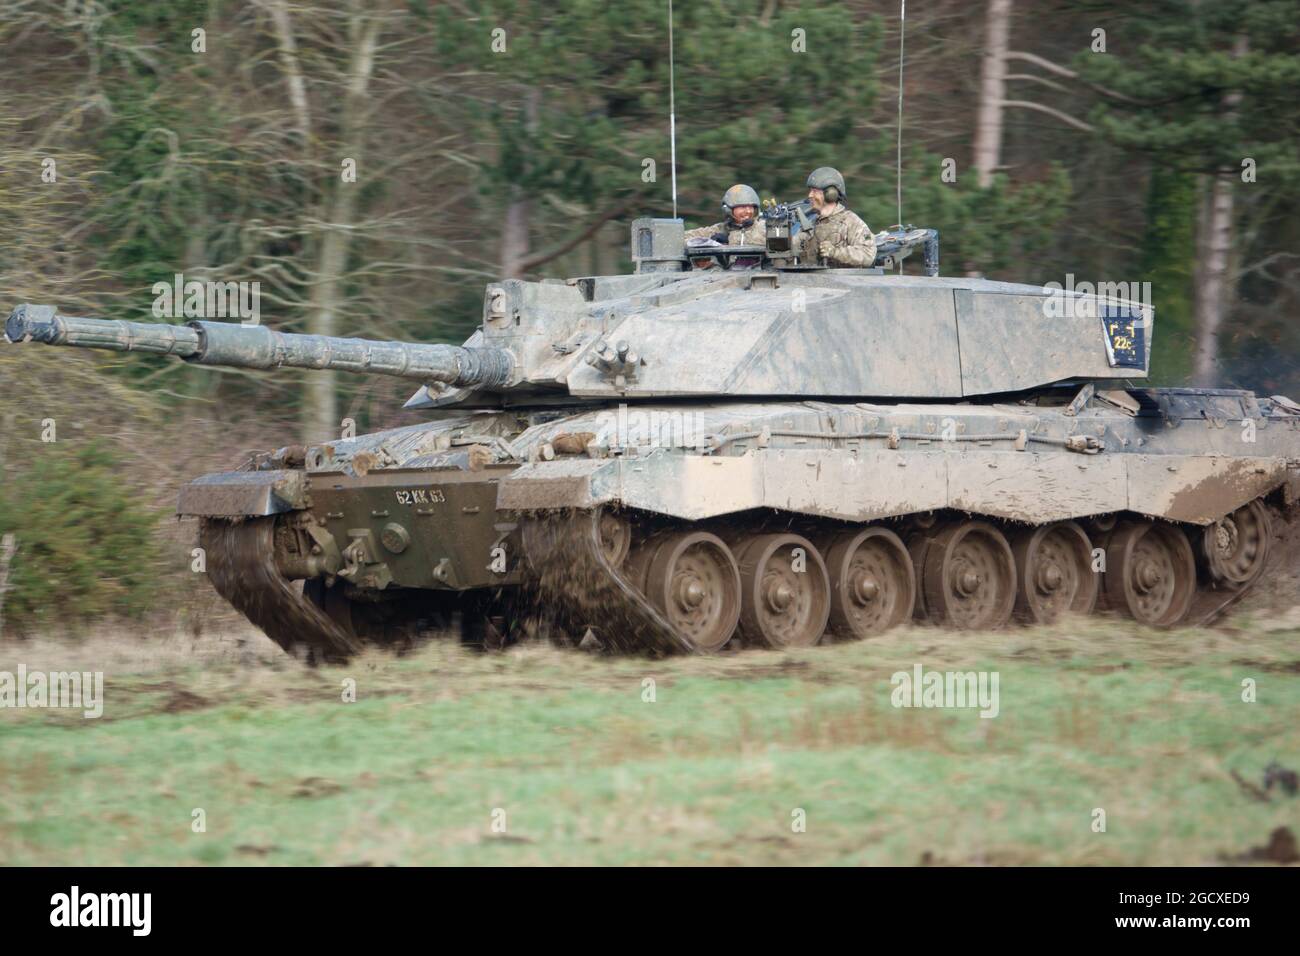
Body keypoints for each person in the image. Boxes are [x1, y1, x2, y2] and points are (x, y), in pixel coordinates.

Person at [794, 167, 876, 268]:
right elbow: (794, 247)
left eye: (815, 191)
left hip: (845, 281)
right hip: (813, 280)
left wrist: (835, 252)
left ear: (831, 194)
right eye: (811, 191)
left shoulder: (851, 222)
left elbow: (868, 254)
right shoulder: (810, 224)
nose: (810, 195)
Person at [684, 184, 766, 246]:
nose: (748, 211)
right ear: (729, 209)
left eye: (751, 207)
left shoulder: (764, 227)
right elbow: (680, 239)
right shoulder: (720, 229)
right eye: (743, 207)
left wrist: (729, 240)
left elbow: (773, 242)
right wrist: (710, 241)